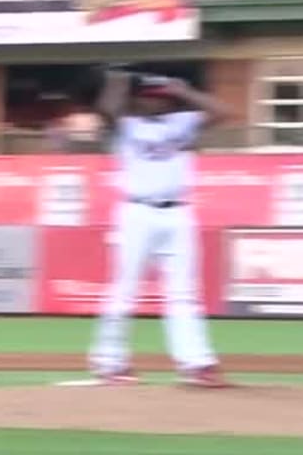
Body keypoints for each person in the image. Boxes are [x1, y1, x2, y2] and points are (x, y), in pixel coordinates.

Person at [89, 69, 229, 388]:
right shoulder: (126, 126)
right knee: (124, 289)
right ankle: (109, 363)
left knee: (183, 292)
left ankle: (196, 363)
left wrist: (185, 91)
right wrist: (118, 80)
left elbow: (224, 112)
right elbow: (108, 110)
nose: (157, 103)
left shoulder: (182, 122)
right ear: (137, 101)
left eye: (162, 99)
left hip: (177, 213)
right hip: (137, 211)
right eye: (150, 98)